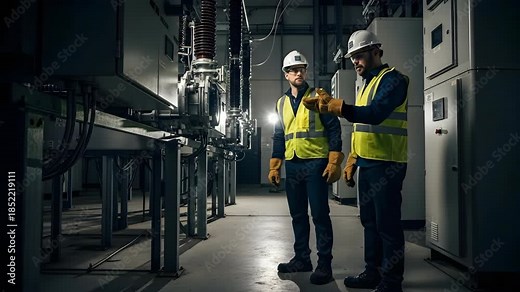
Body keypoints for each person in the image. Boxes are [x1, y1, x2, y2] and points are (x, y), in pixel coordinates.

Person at [303, 30, 409, 292]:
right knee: (369, 223)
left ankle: (392, 282)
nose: (356, 63)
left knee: (388, 225)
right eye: (353, 60)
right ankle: (372, 273)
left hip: (387, 163)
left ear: (376, 51)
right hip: (367, 164)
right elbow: (362, 129)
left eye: (360, 57)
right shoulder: (365, 85)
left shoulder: (394, 80)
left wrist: (336, 107)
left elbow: (375, 115)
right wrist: (352, 160)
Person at [268, 50, 344, 285]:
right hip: (293, 164)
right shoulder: (280, 103)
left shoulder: (319, 96)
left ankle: (324, 265)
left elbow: (334, 128)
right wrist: (275, 165)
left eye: (302, 68)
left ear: (306, 71)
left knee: (320, 214)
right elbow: (279, 135)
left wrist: (333, 160)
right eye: (293, 69)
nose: (298, 72)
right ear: (286, 74)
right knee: (298, 215)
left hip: (316, 163)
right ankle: (302, 258)